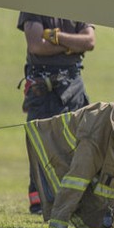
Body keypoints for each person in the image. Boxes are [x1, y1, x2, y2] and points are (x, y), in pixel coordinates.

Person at [18, 13, 96, 214]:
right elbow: (36, 45)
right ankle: (40, 201)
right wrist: (72, 45)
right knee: (41, 144)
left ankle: (71, 201)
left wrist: (55, 37)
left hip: (73, 85)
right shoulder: (34, 2)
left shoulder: (77, 1)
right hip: (44, 86)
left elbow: (89, 41)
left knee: (77, 144)